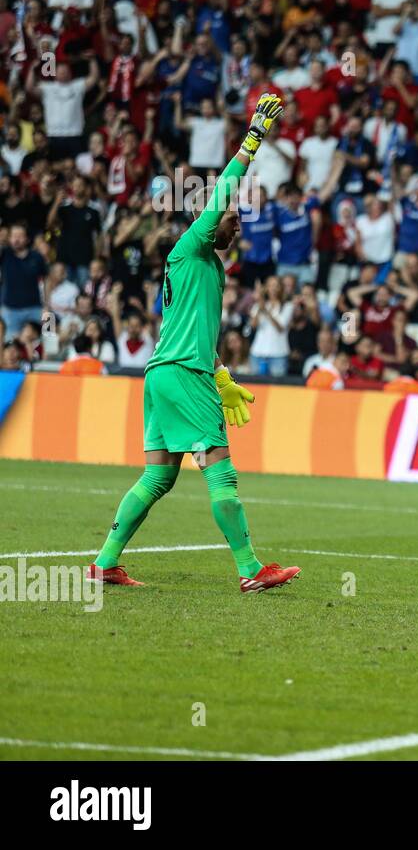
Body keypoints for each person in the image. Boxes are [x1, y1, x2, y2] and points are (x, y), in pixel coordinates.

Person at [86, 95, 301, 593]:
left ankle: (104, 562)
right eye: (232, 219)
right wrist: (253, 139)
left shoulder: (207, 269)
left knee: (158, 477)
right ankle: (250, 569)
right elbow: (223, 191)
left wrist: (221, 373)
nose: (236, 224)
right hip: (183, 374)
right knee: (220, 473)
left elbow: (196, 332)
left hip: (164, 372)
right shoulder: (191, 245)